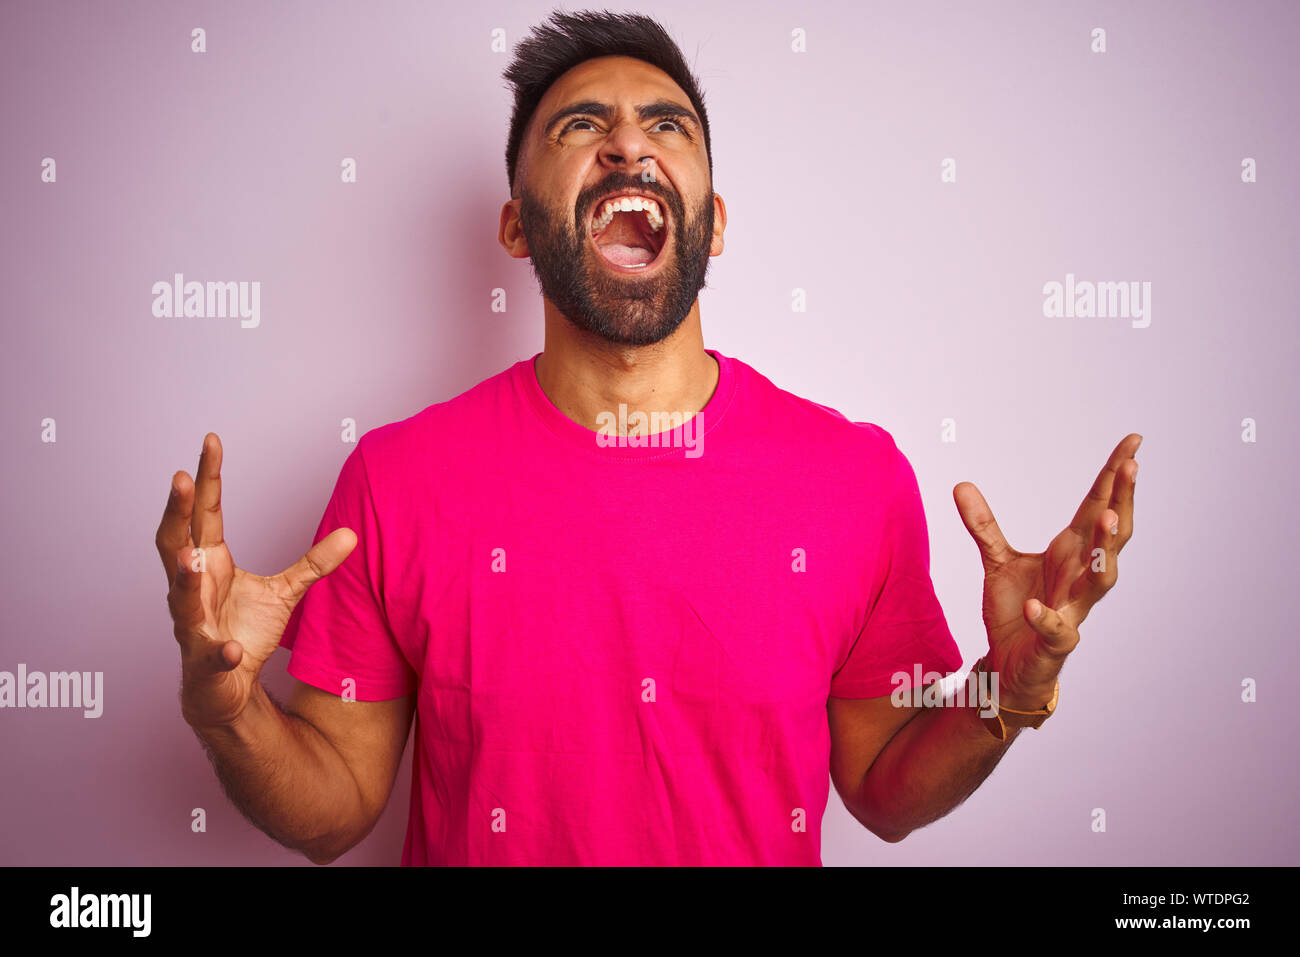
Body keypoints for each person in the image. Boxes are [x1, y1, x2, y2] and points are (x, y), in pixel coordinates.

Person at [155, 9, 1140, 866]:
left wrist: (999, 697)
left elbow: (885, 792)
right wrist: (230, 712)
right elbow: (332, 815)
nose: (629, 147)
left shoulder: (853, 480)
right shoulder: (395, 480)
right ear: (513, 226)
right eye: (581, 126)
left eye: (664, 125)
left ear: (712, 222)